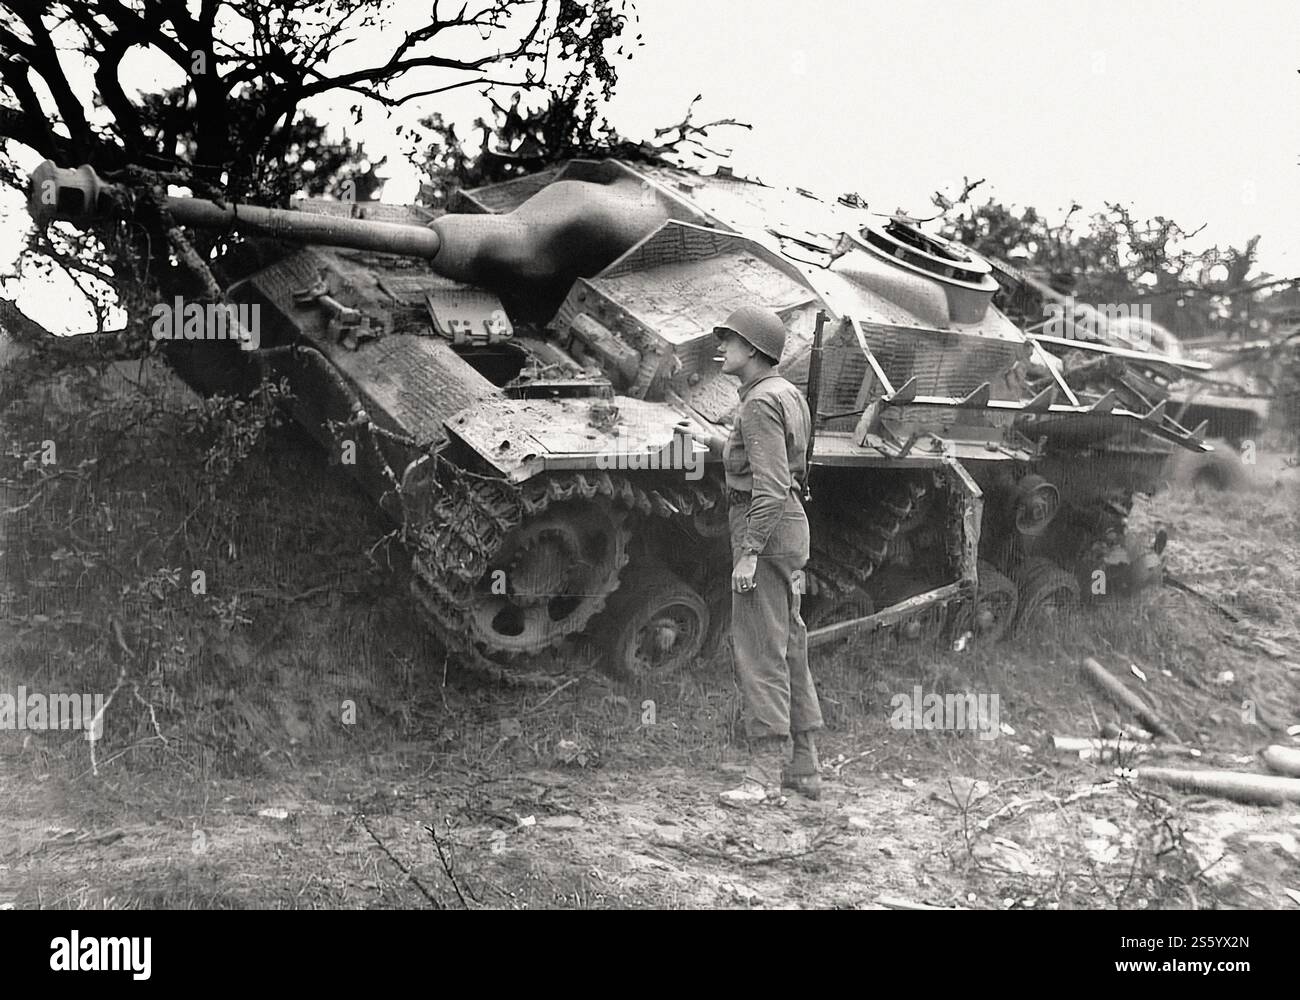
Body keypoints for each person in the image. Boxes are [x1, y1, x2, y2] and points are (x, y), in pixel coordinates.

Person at [713, 305, 824, 801]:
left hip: (765, 527)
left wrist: (748, 552)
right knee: (790, 645)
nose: (721, 347)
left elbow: (771, 481)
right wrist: (716, 441)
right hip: (789, 527)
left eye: (729, 340)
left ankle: (762, 775)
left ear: (754, 350)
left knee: (760, 649)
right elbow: (771, 460)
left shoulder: (758, 402)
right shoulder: (785, 392)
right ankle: (804, 764)